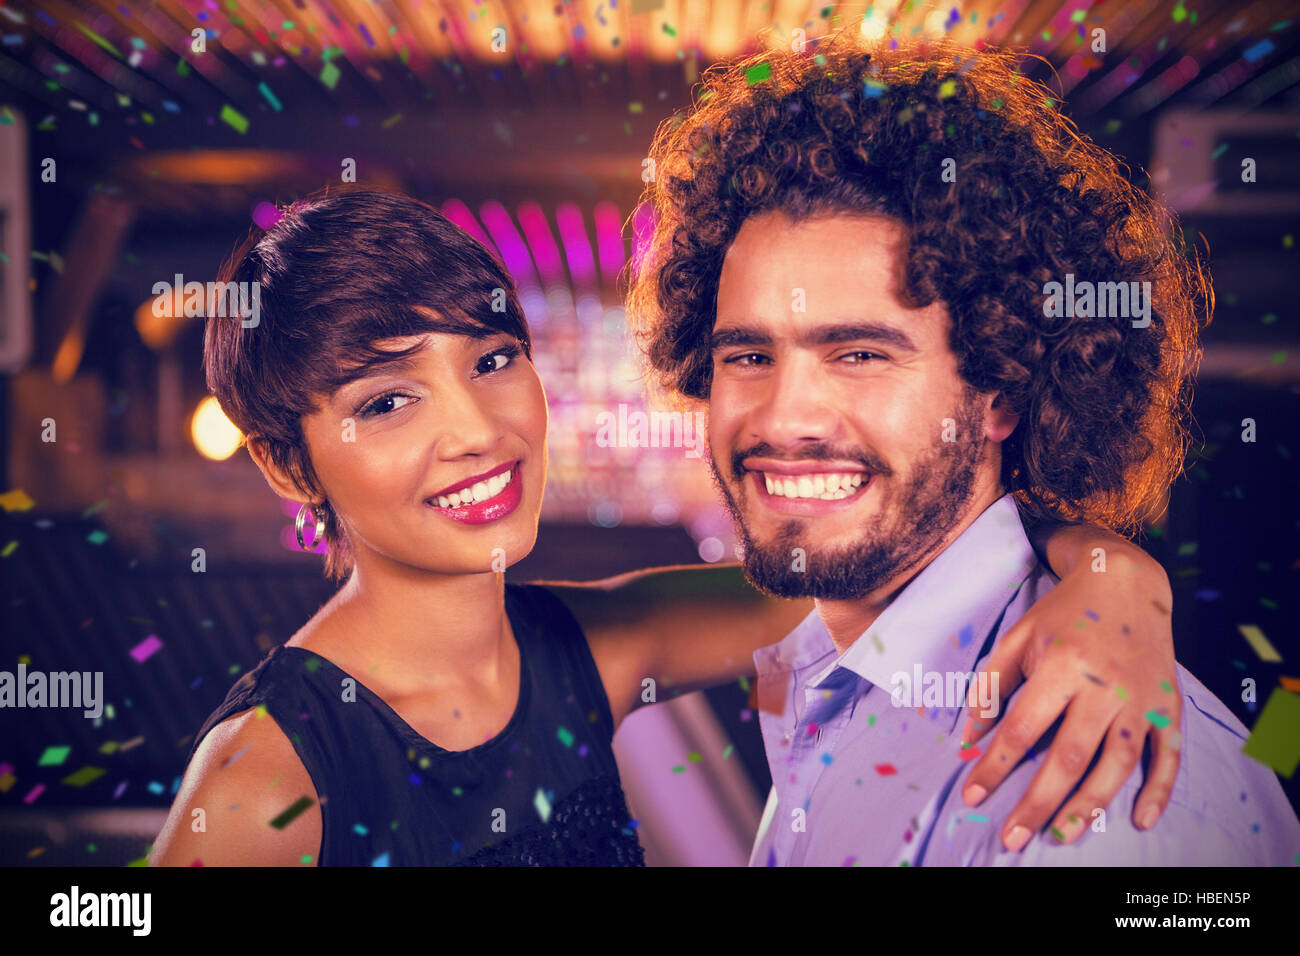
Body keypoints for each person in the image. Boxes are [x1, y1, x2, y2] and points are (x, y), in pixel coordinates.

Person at [150, 187, 1180, 866]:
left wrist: (1112, 578)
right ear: (289, 460)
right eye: (385, 401)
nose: (475, 430)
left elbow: (892, 559)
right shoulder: (262, 778)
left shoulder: (591, 646)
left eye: (492, 358)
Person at [627, 33, 1300, 865]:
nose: (784, 418)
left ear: (1001, 392)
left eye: (860, 354)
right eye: (749, 356)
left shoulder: (1100, 791)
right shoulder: (830, 670)